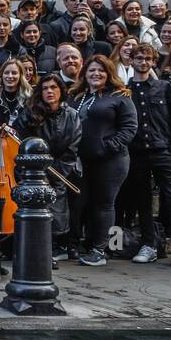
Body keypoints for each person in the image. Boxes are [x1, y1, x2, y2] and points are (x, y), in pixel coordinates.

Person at [124, 43, 171, 269]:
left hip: (165, 151)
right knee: (141, 201)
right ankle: (149, 244)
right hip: (137, 154)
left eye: (147, 59)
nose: (143, 62)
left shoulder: (166, 87)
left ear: (154, 62)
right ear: (131, 61)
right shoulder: (125, 90)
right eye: (139, 58)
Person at [70, 56, 137, 266]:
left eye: (100, 70)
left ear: (108, 73)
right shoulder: (76, 96)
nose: (95, 74)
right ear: (84, 73)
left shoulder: (120, 96)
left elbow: (129, 129)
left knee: (104, 204)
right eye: (91, 71)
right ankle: (76, 245)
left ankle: (100, 249)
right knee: (80, 203)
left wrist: (106, 147)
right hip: (82, 160)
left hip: (111, 160)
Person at [11, 74, 81, 261]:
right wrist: (38, 173)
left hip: (59, 170)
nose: (49, 91)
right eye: (45, 88)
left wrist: (54, 175)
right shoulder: (29, 113)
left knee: (57, 210)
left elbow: (71, 150)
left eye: (54, 87)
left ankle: (56, 248)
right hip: (32, 171)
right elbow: (20, 143)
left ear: (61, 91)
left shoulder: (72, 116)